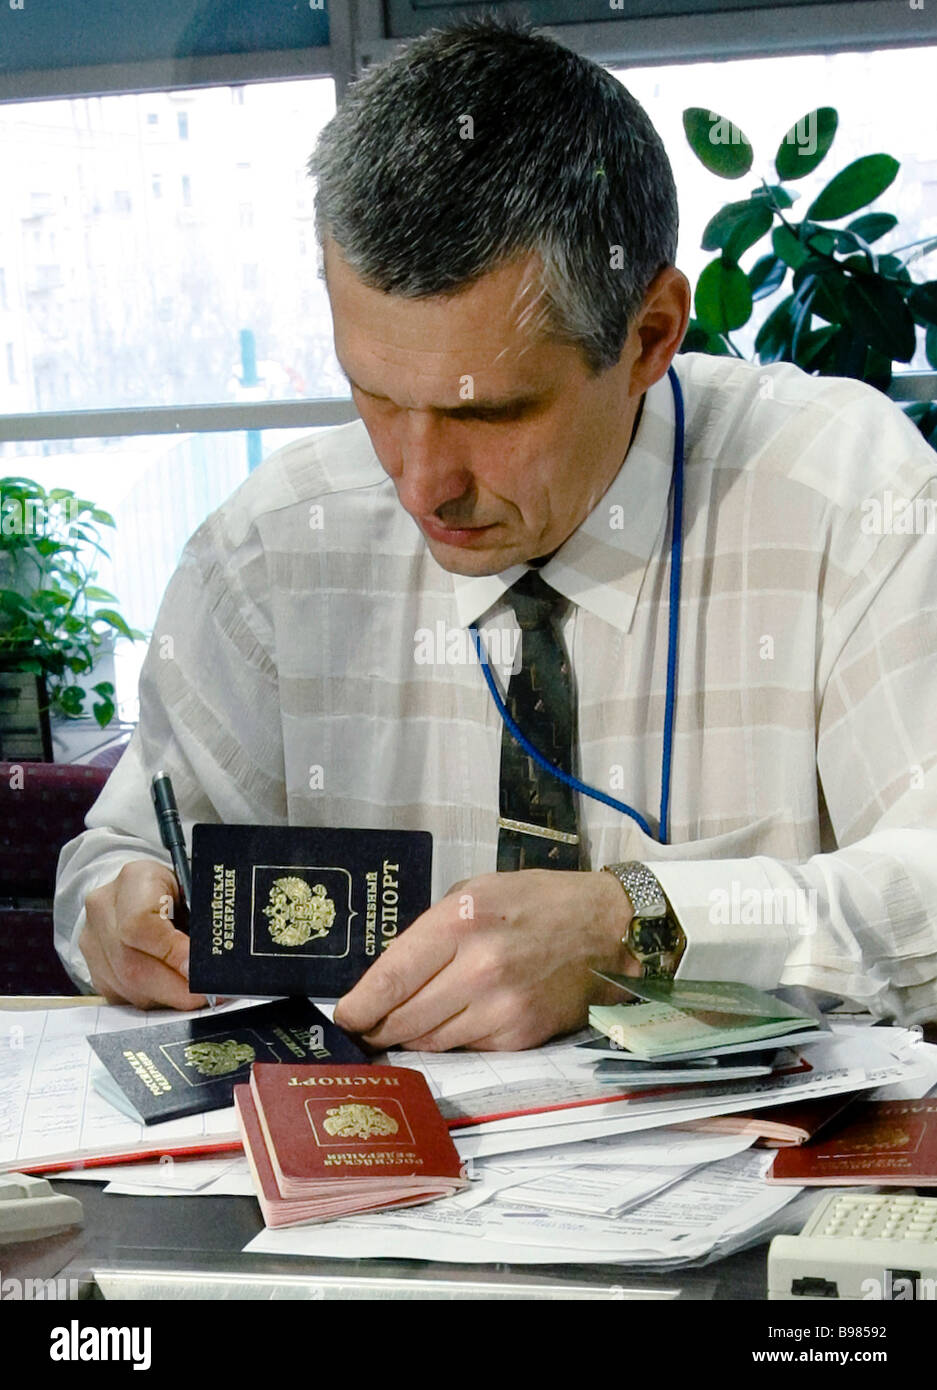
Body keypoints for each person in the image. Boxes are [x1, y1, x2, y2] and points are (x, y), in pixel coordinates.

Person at [53, 17, 937, 1049]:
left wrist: (638, 924)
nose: (421, 481)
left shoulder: (843, 492)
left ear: (649, 335)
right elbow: (117, 849)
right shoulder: (271, 550)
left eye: (490, 413)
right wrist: (116, 909)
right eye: (374, 394)